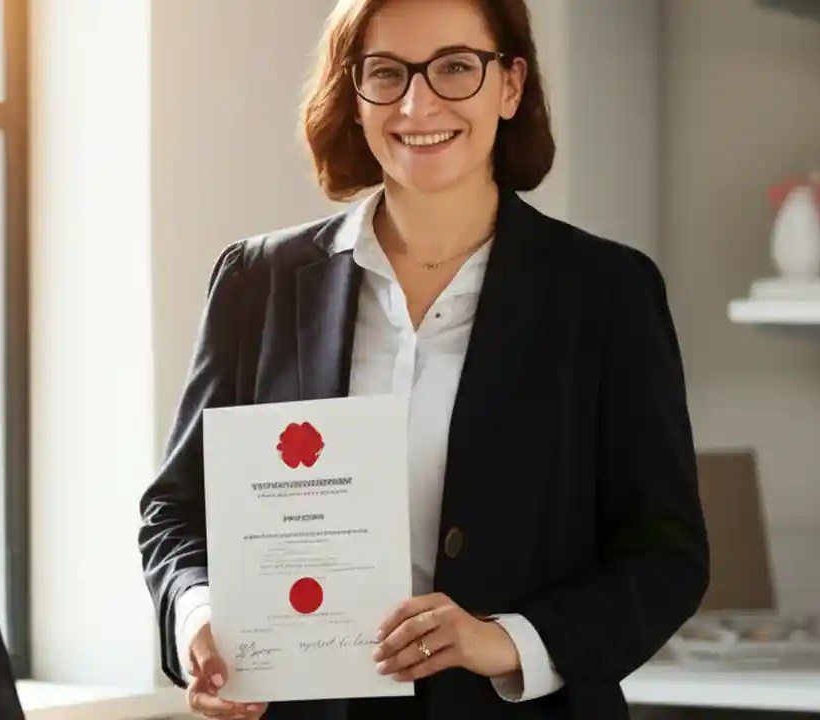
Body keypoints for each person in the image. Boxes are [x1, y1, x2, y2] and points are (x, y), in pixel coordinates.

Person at [137, 0, 709, 717]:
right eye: (386, 73)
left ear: (510, 85)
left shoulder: (606, 293)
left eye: (455, 67)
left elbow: (666, 555)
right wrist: (199, 621)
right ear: (354, 94)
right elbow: (177, 514)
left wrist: (507, 642)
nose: (417, 102)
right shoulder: (260, 281)